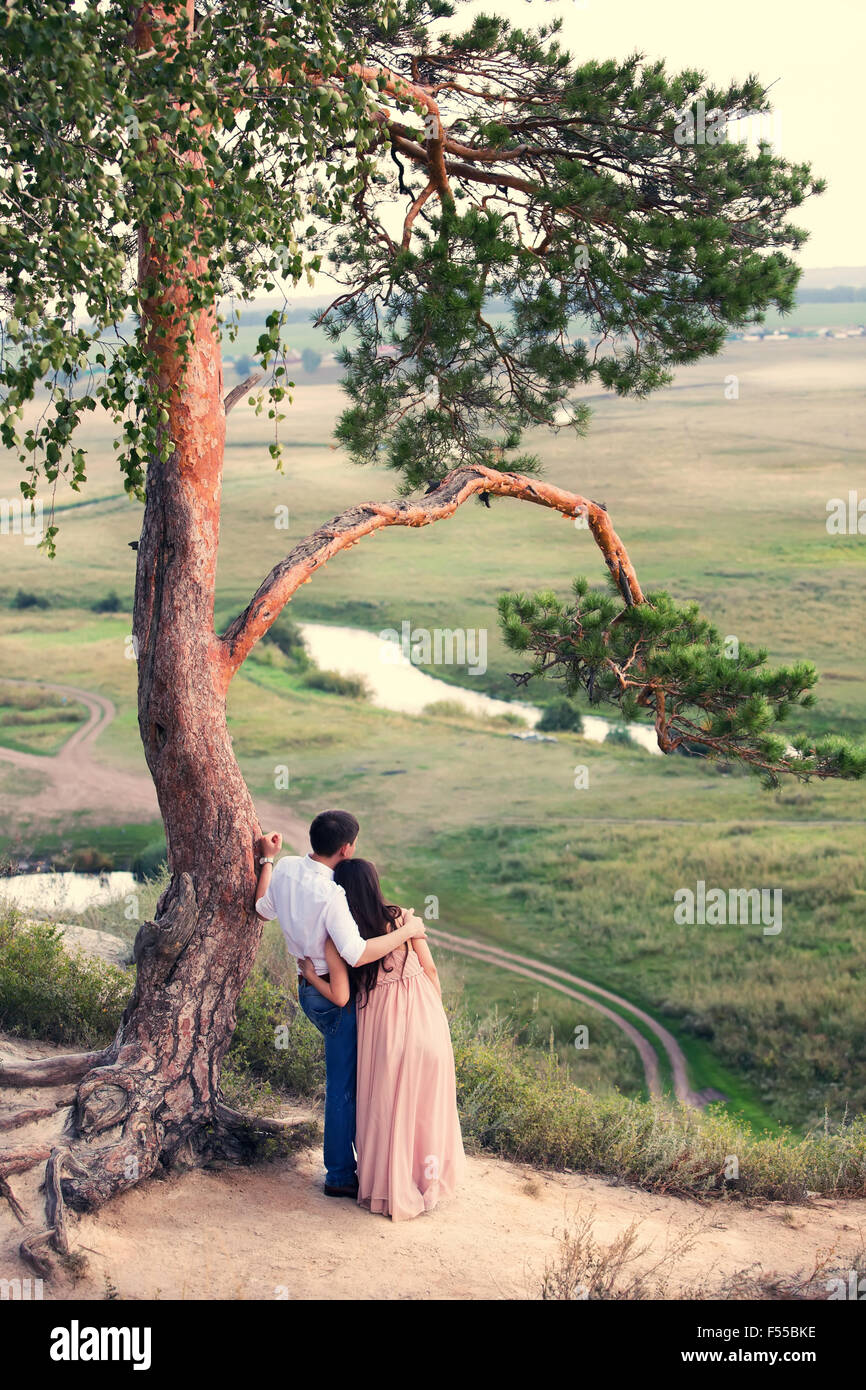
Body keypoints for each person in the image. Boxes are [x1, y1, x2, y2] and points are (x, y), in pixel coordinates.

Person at [254, 811, 427, 1198]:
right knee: (343, 1087)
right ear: (346, 849)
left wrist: (266, 858)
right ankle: (339, 1174)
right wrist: (407, 931)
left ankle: (353, 1164)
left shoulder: (284, 869)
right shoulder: (332, 894)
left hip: (307, 989)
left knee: (346, 1080)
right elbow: (358, 952)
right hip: (334, 995)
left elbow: (262, 909)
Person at [298, 858, 464, 1221]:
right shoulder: (403, 918)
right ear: (375, 885)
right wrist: (438, 1016)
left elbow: (340, 996)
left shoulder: (339, 936)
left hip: (382, 1025)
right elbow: (431, 969)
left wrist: (310, 977)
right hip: (425, 1016)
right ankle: (425, 1182)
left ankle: (389, 1185)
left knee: (388, 1105)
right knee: (424, 1103)